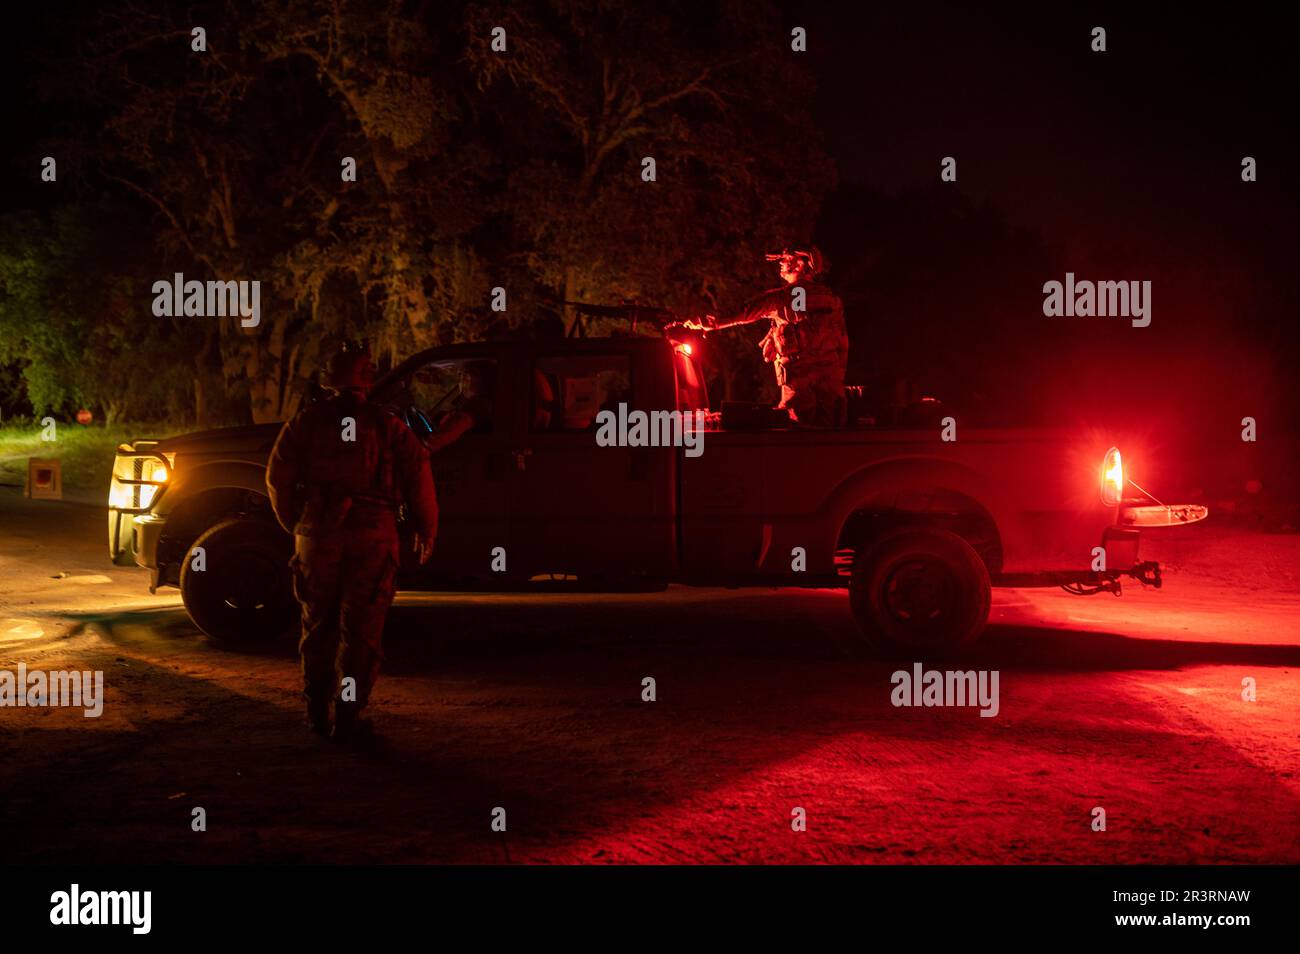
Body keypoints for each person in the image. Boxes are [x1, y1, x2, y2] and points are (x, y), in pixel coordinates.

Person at [266, 345, 439, 745]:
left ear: (328, 379)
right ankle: (346, 717)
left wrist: (296, 524)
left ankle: (315, 712)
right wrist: (426, 528)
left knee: (317, 624)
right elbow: (419, 475)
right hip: (372, 535)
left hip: (318, 534)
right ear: (367, 379)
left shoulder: (304, 423)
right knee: (360, 632)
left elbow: (277, 479)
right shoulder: (388, 425)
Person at [686, 247, 848, 426]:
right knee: (831, 430)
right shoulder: (831, 299)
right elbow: (843, 341)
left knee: (798, 431)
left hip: (800, 382)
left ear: (801, 264)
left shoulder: (790, 296)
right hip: (831, 380)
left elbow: (745, 312)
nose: (781, 262)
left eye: (786, 258)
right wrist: (839, 373)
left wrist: (707, 322)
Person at [422, 361, 495, 453]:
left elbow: (447, 433)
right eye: (462, 373)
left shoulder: (477, 406)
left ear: (483, 380)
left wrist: (424, 445)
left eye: (471, 373)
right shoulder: (471, 403)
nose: (463, 378)